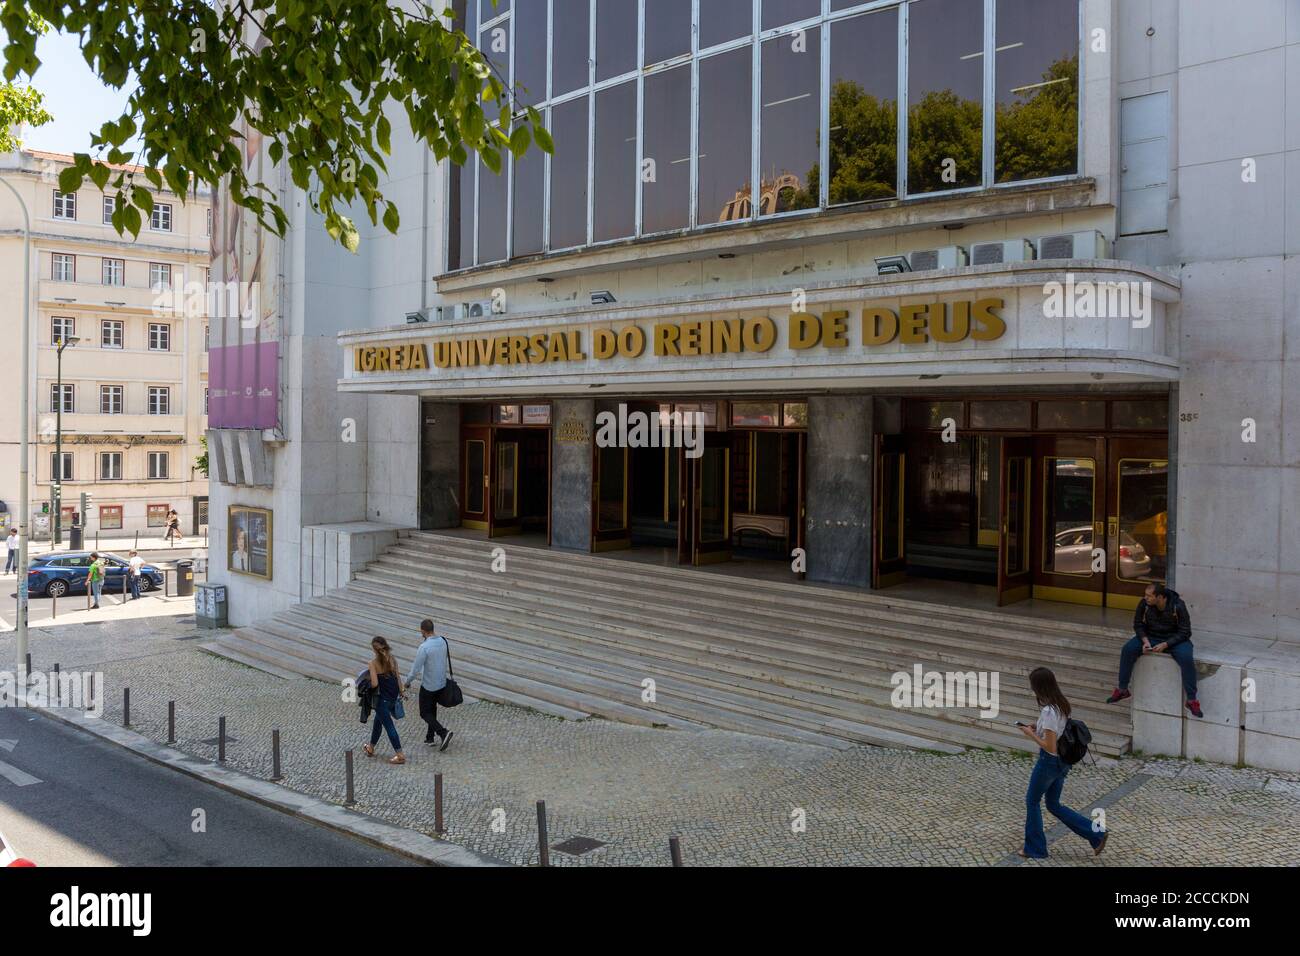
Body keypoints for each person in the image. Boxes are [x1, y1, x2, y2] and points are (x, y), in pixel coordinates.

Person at [1018, 667, 1108, 860]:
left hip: (1049, 762)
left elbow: (1050, 747)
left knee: (1032, 801)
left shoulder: (1050, 711)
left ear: (1038, 687)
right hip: (1062, 763)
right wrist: (1038, 727)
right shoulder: (1061, 704)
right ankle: (1097, 834)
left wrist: (1031, 734)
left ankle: (1035, 848)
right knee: (1053, 804)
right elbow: (1055, 731)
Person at [1106, 583, 1201, 718]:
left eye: (1149, 596)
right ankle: (1122, 689)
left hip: (1174, 640)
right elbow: (1138, 624)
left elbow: (1186, 631)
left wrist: (1166, 644)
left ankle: (1191, 700)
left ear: (1160, 597)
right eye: (1145, 595)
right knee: (1128, 649)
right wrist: (1145, 640)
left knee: (1186, 658)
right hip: (1151, 637)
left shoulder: (1177, 605)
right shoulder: (1144, 604)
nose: (1146, 598)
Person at [404, 619, 453, 751]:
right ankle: (430, 737)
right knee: (432, 709)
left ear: (423, 631)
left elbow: (415, 669)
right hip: (441, 682)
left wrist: (407, 682)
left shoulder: (424, 647)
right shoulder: (443, 641)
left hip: (429, 685)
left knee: (425, 712)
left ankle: (443, 732)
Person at [363, 636, 406, 765]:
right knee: (378, 722)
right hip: (393, 697)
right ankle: (370, 748)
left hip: (381, 700)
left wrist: (367, 683)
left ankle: (400, 755)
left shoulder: (373, 663)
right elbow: (398, 678)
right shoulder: (392, 659)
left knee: (389, 726)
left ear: (374, 650)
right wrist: (401, 692)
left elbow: (375, 684)